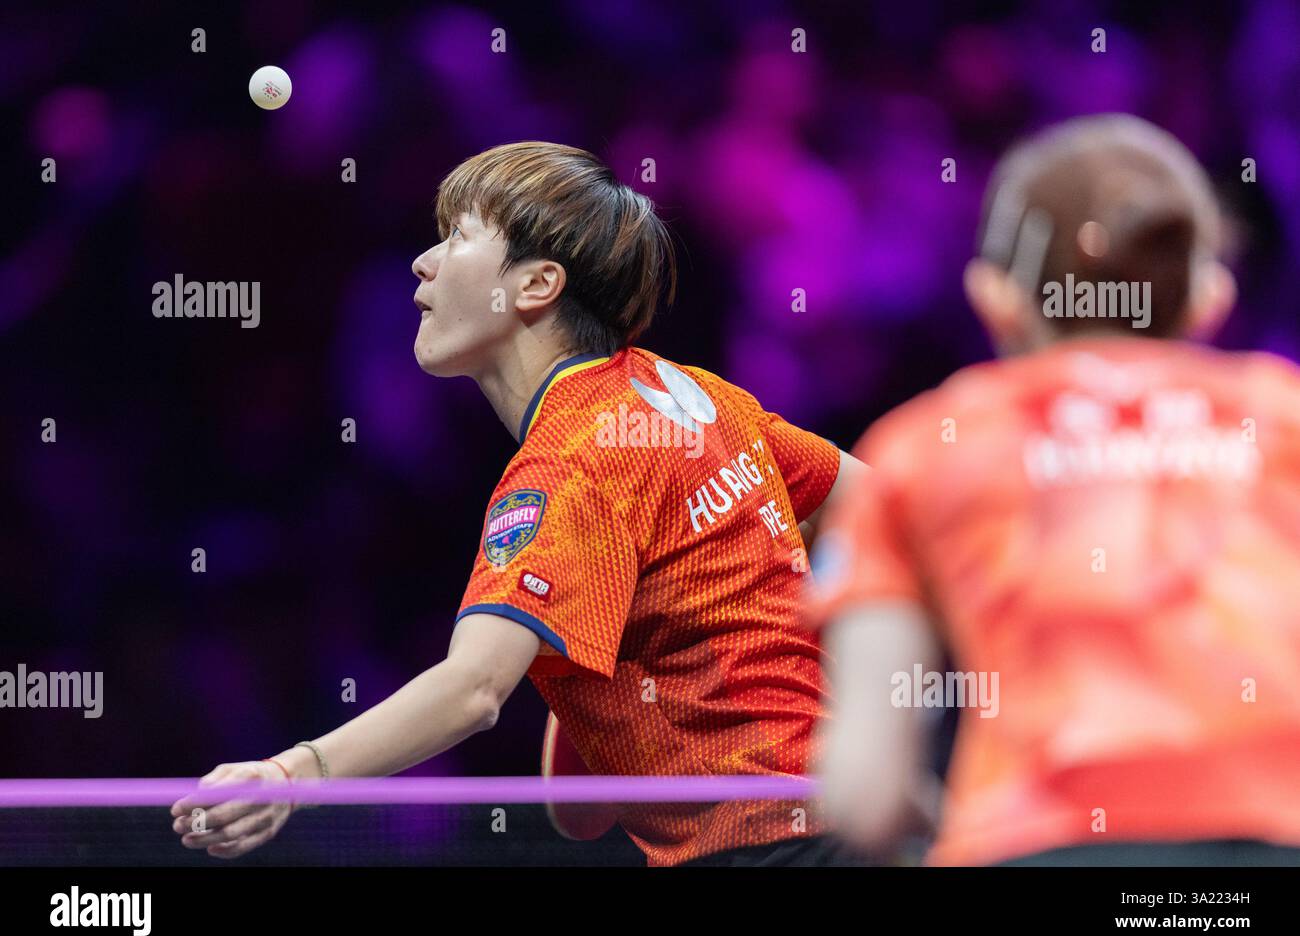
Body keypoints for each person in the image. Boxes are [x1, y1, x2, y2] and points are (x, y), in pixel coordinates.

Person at [171, 141, 865, 866]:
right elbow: (885, 506)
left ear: (536, 285)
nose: (424, 262)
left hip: (763, 849)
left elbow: (474, 689)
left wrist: (292, 774)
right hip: (845, 823)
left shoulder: (568, 462)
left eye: (459, 237)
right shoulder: (693, 395)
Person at [811, 114, 1300, 866]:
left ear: (994, 297)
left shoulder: (920, 448)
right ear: (1209, 298)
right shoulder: (1283, 414)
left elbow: (866, 794)